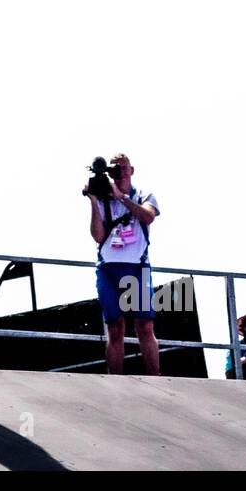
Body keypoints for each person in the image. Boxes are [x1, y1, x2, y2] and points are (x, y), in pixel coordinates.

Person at [86, 153, 161, 376]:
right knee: (115, 327)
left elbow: (148, 216)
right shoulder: (102, 199)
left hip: (137, 268)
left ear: (131, 170)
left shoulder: (144, 195)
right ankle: (115, 379)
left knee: (145, 326)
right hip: (109, 268)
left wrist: (121, 197)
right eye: (115, 168)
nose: (120, 171)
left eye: (123, 167)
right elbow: (98, 236)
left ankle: (155, 376)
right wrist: (93, 200)